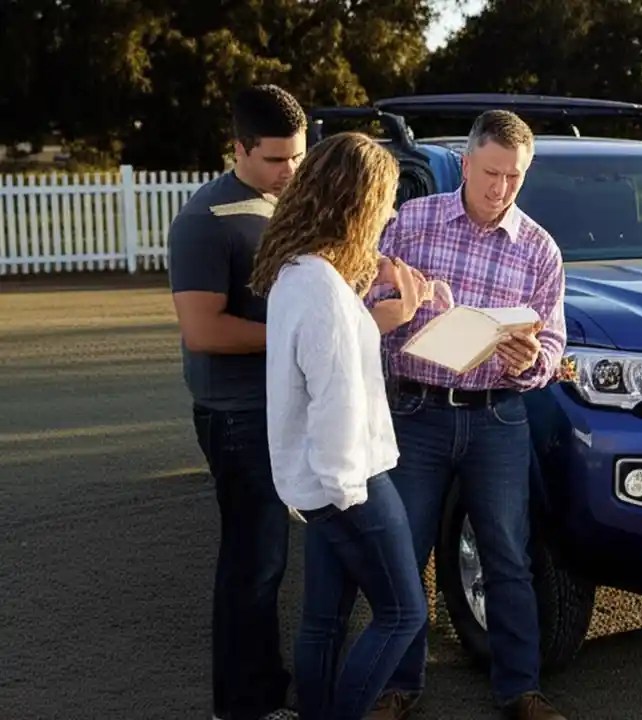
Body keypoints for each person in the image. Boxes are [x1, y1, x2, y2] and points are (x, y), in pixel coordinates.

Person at [371, 110, 569, 720]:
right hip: (417, 409)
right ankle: (397, 687)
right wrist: (400, 308)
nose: (500, 188)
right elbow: (366, 300)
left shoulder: (539, 249)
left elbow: (554, 346)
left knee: (508, 553)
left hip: (498, 416)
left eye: (514, 177)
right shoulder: (410, 223)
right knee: (403, 551)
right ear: (465, 163)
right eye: (491, 172)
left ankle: (521, 690)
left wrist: (532, 359)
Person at [248, 131, 445, 720]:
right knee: (404, 613)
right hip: (348, 481)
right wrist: (346, 494)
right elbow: (333, 400)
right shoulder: (323, 294)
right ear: (355, 202)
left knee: (324, 620)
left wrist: (385, 304)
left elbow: (328, 352)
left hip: (321, 481)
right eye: (385, 199)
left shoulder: (302, 273)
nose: (390, 211)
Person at [167, 83, 307, 720]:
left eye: (298, 157)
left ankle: (267, 690)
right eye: (276, 160)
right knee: (254, 563)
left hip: (283, 407)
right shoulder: (203, 220)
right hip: (236, 417)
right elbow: (204, 330)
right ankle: (247, 707)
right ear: (239, 149)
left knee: (271, 560)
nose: (290, 171)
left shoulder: (281, 203)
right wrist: (300, 334)